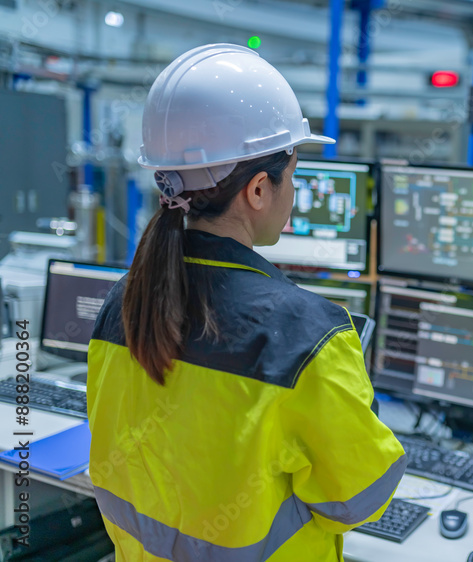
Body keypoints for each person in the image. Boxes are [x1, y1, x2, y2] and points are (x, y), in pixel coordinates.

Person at [87, 44, 406, 561]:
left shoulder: (122, 304)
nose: (294, 192)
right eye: (294, 176)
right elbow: (359, 498)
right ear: (259, 189)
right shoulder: (308, 336)